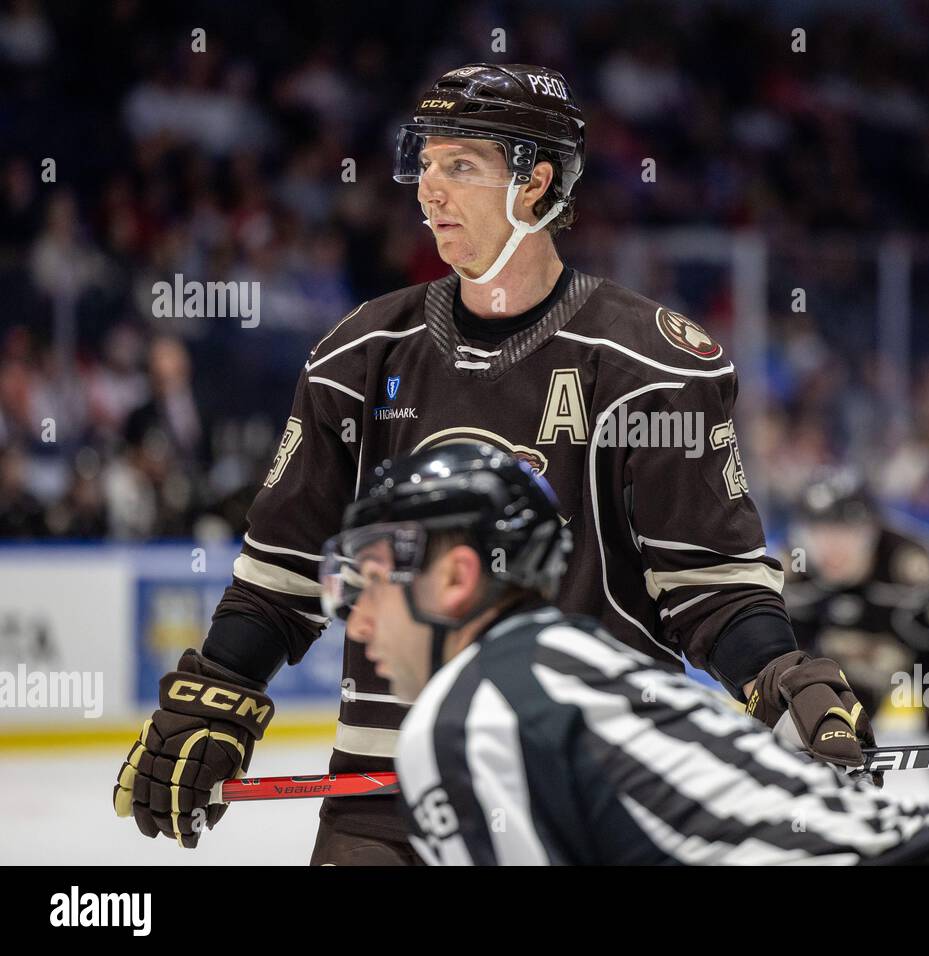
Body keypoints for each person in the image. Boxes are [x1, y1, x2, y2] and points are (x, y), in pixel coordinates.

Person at [113, 64, 875, 862]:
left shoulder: (651, 365)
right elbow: (285, 569)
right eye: (426, 163)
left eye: (461, 166)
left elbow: (706, 588)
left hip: (586, 792)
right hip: (388, 791)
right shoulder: (360, 353)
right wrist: (220, 692)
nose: (428, 191)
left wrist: (779, 684)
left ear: (535, 183)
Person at [332, 443, 929, 865]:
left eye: (373, 578)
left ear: (455, 578)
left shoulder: (468, 715)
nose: (355, 621)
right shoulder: (584, 657)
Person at [784, 470, 929, 864]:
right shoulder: (792, 574)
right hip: (861, 668)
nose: (831, 549)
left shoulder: (912, 564)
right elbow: (785, 662)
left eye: (845, 532)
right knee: (830, 738)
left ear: (873, 529)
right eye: (819, 533)